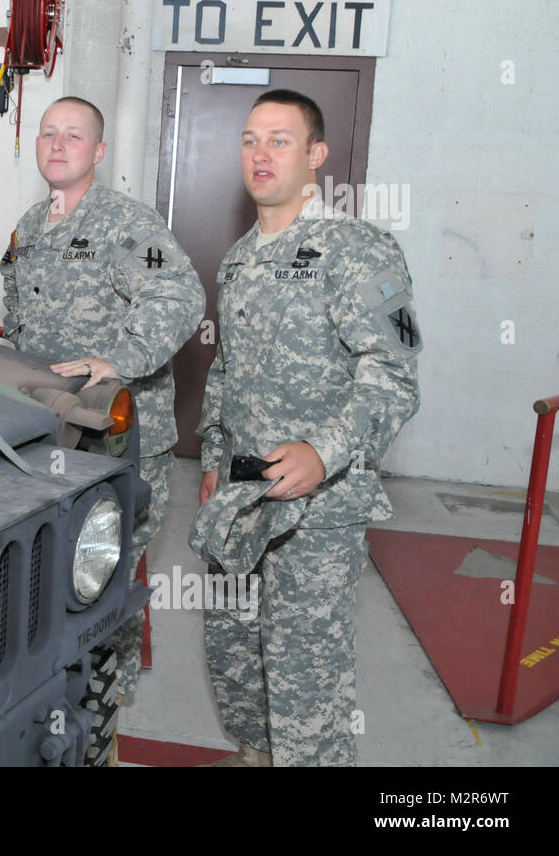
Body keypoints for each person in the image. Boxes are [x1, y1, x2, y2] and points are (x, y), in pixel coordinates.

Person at [197, 89, 421, 766]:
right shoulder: (239, 258)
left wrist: (323, 453)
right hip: (239, 495)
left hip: (318, 509)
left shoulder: (361, 251)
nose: (261, 155)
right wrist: (212, 455)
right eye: (250, 140)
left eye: (280, 140)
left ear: (316, 154)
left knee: (306, 679)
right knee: (236, 658)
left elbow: (394, 376)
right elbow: (223, 372)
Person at [0, 96, 205, 702]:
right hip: (50, 430)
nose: (58, 145)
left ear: (99, 151)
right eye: (47, 134)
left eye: (73, 136)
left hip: (118, 435)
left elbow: (179, 293)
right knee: (54, 571)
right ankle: (51, 694)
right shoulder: (30, 228)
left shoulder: (127, 225)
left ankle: (101, 708)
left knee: (103, 571)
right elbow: (17, 309)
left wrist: (121, 360)